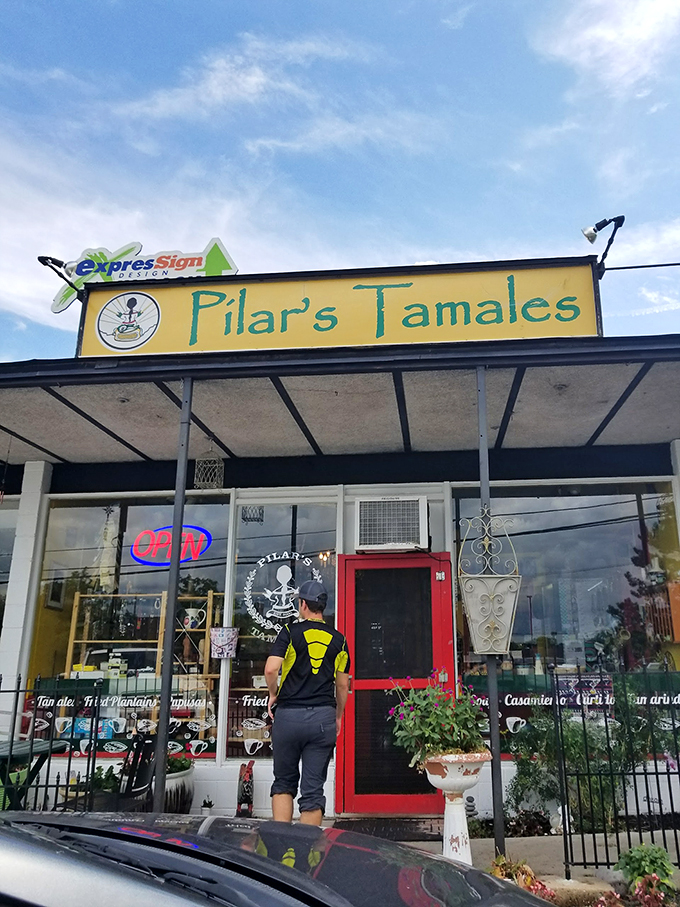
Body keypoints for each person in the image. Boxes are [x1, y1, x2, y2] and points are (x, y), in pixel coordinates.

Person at [264, 579, 351, 826]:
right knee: (313, 791)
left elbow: (271, 669)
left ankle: (282, 844)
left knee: (283, 782)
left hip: (289, 717)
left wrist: (273, 693)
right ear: (322, 607)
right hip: (322, 719)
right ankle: (305, 846)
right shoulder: (340, 640)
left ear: (303, 604)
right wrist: (338, 715)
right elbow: (342, 685)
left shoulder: (289, 632)